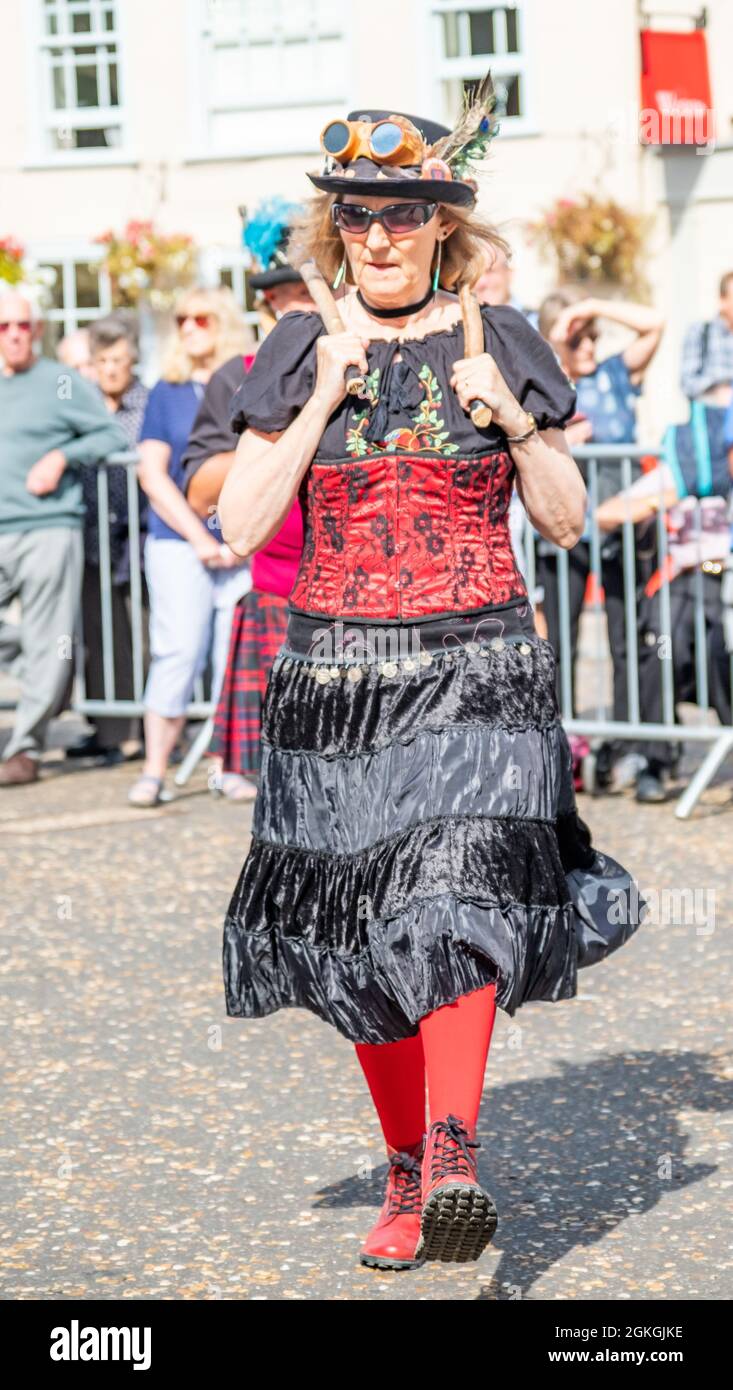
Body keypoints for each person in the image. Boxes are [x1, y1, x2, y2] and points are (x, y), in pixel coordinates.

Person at [217, 98, 645, 1271]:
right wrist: (317, 396)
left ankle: (452, 1151)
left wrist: (512, 422)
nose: (382, 238)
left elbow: (560, 518)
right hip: (336, 681)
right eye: (360, 218)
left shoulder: (501, 336)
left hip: (477, 667)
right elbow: (241, 518)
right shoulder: (296, 346)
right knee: (360, 933)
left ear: (443, 225)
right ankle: (404, 1168)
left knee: (459, 897)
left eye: (404, 215)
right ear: (335, 230)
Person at [182, 203, 312, 798]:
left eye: (308, 294)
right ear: (265, 304)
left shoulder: (362, 363)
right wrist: (283, 445)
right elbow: (202, 487)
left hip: (352, 595)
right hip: (276, 590)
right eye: (285, 297)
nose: (298, 310)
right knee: (279, 791)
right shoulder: (235, 375)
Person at [129, 286, 253, 806]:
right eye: (181, 318)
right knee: (178, 650)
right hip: (179, 542)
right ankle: (155, 768)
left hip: (243, 541)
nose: (187, 327)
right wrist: (202, 538)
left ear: (221, 321)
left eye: (199, 318)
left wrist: (242, 541)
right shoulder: (167, 390)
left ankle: (229, 764)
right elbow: (153, 475)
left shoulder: (249, 380)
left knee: (235, 656)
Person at [536, 288, 664, 787]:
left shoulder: (615, 374)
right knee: (559, 646)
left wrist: (591, 307)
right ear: (553, 340)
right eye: (578, 338)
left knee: (627, 640)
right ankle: (561, 752)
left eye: (594, 336)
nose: (589, 345)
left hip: (623, 528)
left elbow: (655, 321)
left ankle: (635, 753)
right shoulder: (540, 381)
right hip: (561, 532)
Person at [0, 287, 127, 785]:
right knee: (43, 648)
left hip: (48, 527)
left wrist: (61, 457)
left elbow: (111, 436)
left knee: (52, 635)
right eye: (4, 327)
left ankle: (25, 748)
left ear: (38, 330)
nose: (14, 335)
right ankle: (36, 666)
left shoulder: (59, 382)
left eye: (23, 326)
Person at [596, 402, 732, 800]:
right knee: (662, 651)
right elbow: (605, 514)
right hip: (674, 591)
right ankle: (654, 763)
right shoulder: (681, 475)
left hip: (713, 588)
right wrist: (660, 501)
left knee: (714, 655)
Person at [65, 312, 149, 764]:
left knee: (144, 631)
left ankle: (147, 728)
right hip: (93, 534)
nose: (111, 368)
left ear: (132, 359)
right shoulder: (83, 404)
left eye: (118, 358)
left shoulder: (148, 402)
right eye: (103, 360)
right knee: (99, 632)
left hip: (138, 532)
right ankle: (109, 730)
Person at [681, 271, 733, 407]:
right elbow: (687, 383)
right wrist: (716, 391)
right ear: (722, 300)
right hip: (714, 417)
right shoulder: (701, 332)